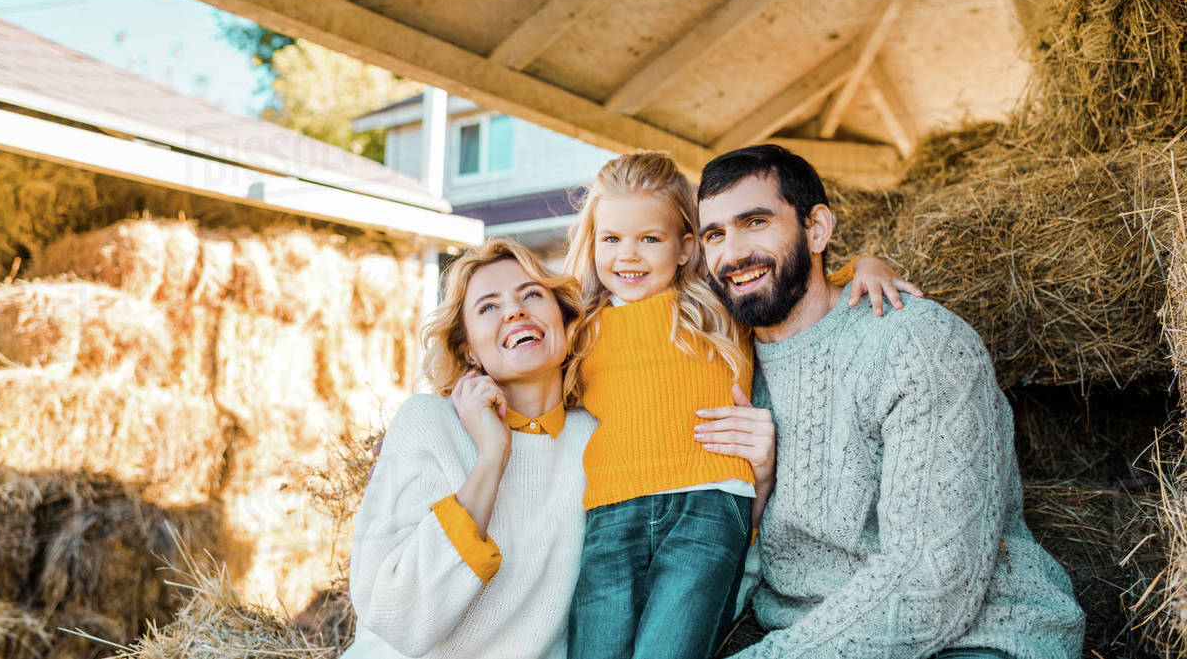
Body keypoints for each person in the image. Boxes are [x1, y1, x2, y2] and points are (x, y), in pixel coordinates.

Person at [694, 144, 1085, 659]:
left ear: (817, 230)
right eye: (715, 234)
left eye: (757, 221)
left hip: (974, 636)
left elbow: (930, 584)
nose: (734, 252)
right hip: (808, 639)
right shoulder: (723, 369)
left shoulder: (916, 343)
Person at [343, 236, 777, 659]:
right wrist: (492, 458)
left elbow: (687, 601)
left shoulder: (599, 441)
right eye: (488, 306)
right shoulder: (428, 423)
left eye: (530, 295)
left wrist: (757, 483)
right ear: (468, 350)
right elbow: (396, 617)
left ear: (564, 320)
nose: (514, 311)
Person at [562, 151, 919, 659]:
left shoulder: (715, 307)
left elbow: (791, 278)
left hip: (708, 506)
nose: (629, 256)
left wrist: (866, 263)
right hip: (611, 511)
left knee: (667, 649)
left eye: (650, 239)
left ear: (686, 248)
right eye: (611, 239)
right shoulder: (579, 327)